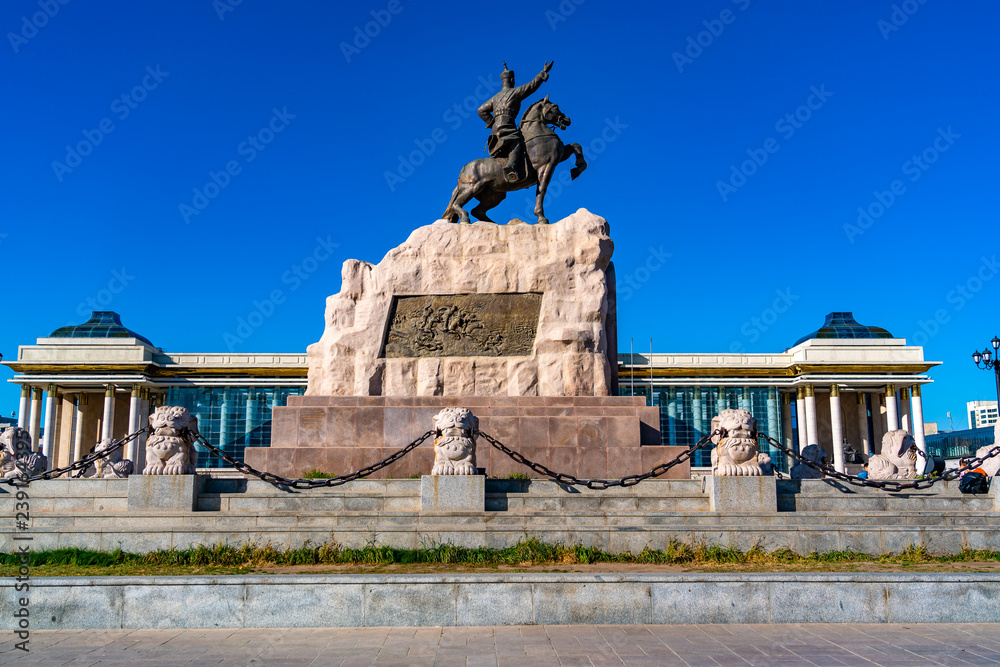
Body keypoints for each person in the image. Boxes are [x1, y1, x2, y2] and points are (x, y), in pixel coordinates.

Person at [478, 61, 553, 183]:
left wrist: (493, 123)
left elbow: (481, 110)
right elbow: (532, 85)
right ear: (512, 80)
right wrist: (543, 72)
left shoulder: (495, 97)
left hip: (495, 130)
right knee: (516, 142)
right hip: (507, 126)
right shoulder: (515, 92)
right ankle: (511, 167)